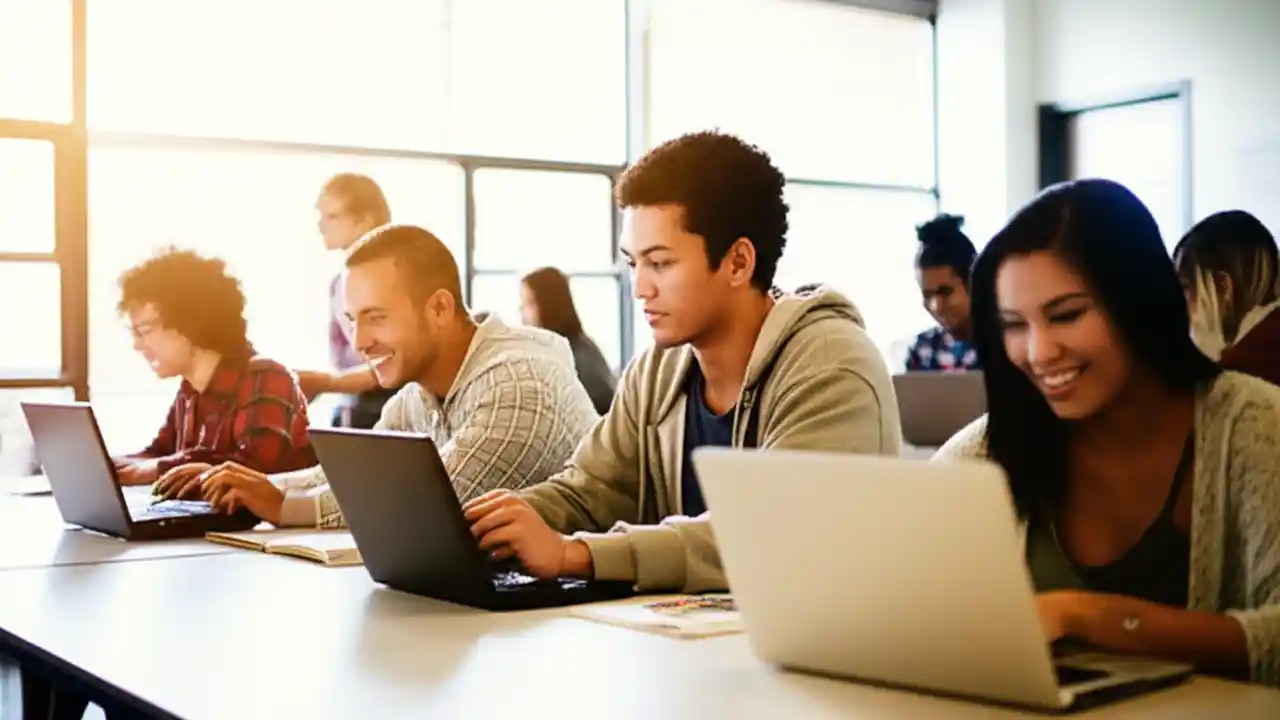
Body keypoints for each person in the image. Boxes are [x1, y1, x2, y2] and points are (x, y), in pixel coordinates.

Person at [463, 131, 901, 594]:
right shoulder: (657, 369)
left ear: (738, 262)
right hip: (698, 646)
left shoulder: (832, 367)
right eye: (633, 264)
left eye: (661, 264)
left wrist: (574, 555)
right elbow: (589, 491)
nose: (640, 289)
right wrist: (485, 525)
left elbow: (767, 537)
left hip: (820, 647)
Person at [933, 179, 1280, 686]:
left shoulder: (1255, 429)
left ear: (1138, 303)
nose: (1039, 352)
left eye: (1067, 315)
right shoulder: (981, 455)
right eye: (1013, 324)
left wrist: (1088, 617)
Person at [166, 225, 599, 528]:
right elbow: (353, 478)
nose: (360, 342)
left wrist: (281, 504)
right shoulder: (415, 396)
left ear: (440, 309)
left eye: (376, 318)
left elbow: (435, 501)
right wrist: (237, 485)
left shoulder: (519, 382)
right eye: (352, 320)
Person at [111, 248, 316, 498]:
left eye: (145, 330)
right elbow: (159, 452)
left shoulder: (266, 376)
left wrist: (156, 469)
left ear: (190, 322)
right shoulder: (190, 389)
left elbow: (253, 470)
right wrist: (110, 465)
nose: (137, 344)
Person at [296, 173, 398, 428]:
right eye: (320, 216)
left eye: (332, 216)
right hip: (354, 408)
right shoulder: (338, 283)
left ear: (364, 220)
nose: (320, 226)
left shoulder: (393, 280)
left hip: (389, 410)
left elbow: (392, 363)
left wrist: (325, 383)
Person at [1173, 210, 1280, 385]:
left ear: (1223, 287)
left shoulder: (1247, 367)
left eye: (1186, 287)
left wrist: (1208, 361)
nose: (1180, 303)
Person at [520, 266, 617, 414]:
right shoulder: (561, 349)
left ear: (548, 305)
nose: (521, 312)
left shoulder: (578, 358)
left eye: (529, 303)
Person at [905, 213, 981, 371]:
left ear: (972, 282)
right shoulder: (922, 351)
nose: (936, 307)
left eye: (945, 292)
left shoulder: (1007, 345)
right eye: (927, 296)